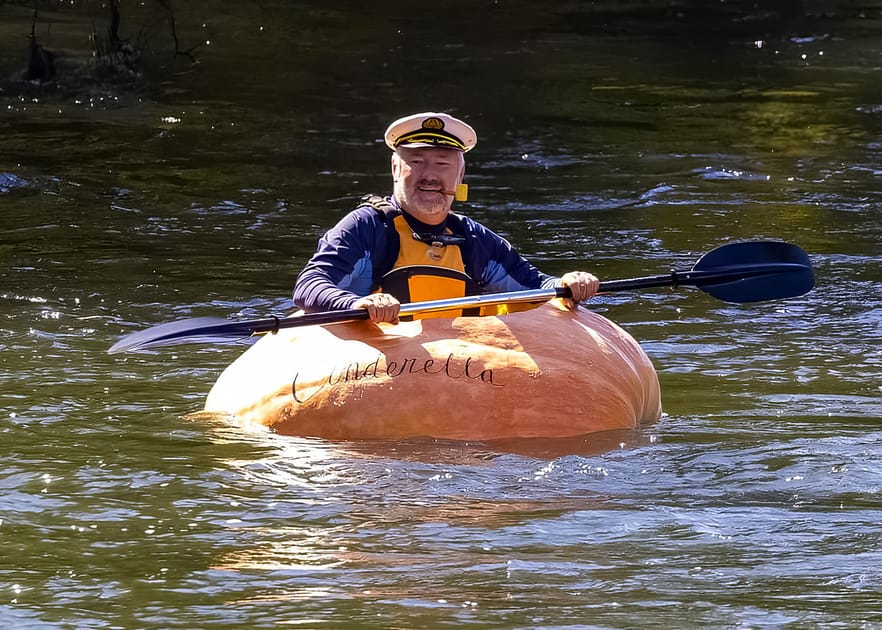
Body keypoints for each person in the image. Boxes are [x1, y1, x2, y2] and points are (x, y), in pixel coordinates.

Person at [293, 112, 600, 323]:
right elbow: (309, 285)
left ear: (460, 174)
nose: (429, 176)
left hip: (459, 370)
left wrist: (568, 283)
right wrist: (355, 304)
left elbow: (536, 288)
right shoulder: (366, 228)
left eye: (442, 164)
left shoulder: (475, 239)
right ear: (395, 169)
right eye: (416, 161)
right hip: (375, 365)